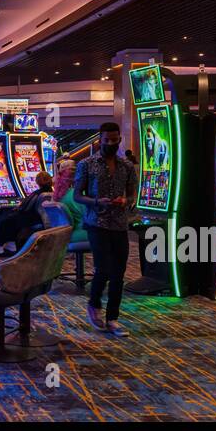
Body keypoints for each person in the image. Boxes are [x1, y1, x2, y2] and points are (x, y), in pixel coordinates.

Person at [73, 121, 137, 334]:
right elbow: (77, 196)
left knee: (119, 273)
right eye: (106, 140)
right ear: (99, 140)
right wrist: (97, 201)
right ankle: (94, 304)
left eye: (114, 139)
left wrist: (125, 201)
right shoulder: (87, 164)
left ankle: (112, 319)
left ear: (119, 139)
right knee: (104, 269)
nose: (110, 143)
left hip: (119, 224)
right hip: (96, 223)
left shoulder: (127, 166)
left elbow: (132, 195)